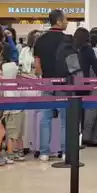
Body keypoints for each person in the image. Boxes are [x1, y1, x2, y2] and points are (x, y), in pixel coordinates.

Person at [32, 9, 73, 161]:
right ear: (59, 21)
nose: (67, 22)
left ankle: (44, 152)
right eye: (66, 19)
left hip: (47, 81)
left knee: (45, 116)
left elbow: (37, 66)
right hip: (64, 82)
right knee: (64, 118)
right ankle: (64, 151)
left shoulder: (40, 40)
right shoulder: (68, 39)